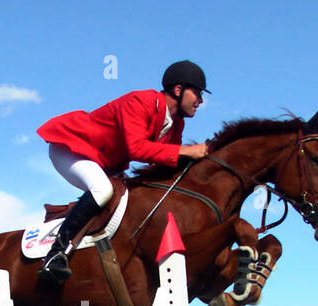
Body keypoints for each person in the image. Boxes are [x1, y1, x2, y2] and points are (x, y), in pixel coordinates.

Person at [35, 60, 212, 284]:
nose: (200, 100)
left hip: (101, 161)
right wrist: (186, 151)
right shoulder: (140, 101)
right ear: (178, 90)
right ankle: (55, 254)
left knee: (122, 196)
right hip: (71, 147)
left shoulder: (176, 125)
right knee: (102, 190)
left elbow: (165, 163)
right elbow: (136, 148)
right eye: (197, 93)